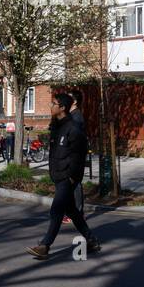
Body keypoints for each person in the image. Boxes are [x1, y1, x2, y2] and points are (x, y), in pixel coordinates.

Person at [28, 93, 99, 260]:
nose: (50, 106)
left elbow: (78, 156)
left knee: (56, 210)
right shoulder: (57, 127)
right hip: (58, 175)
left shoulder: (73, 129)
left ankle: (45, 246)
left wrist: (72, 177)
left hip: (68, 177)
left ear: (62, 108)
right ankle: (91, 239)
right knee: (72, 211)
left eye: (54, 104)